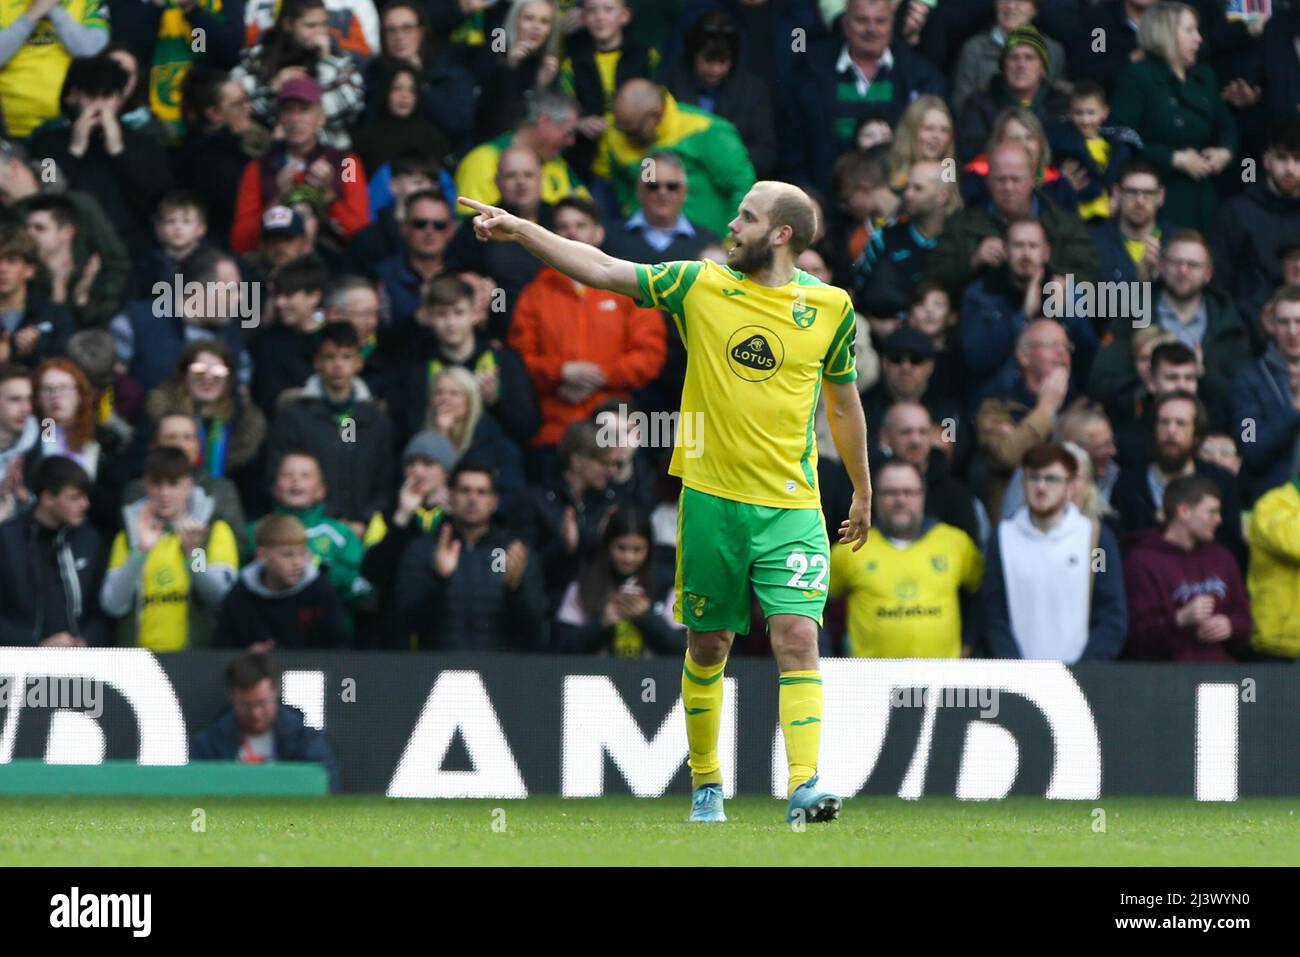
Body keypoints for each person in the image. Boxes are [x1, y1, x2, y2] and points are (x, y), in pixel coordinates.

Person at [460, 174, 871, 826]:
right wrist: (521, 229)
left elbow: (843, 401)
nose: (731, 225)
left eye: (746, 216)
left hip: (792, 506)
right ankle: (707, 783)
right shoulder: (698, 285)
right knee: (708, 646)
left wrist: (861, 490)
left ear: (781, 234)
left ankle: (804, 785)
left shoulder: (831, 308)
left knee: (797, 637)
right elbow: (600, 266)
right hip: (711, 500)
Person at [508, 196, 666, 451]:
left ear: (599, 233)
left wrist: (600, 376)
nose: (571, 232)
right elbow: (519, 360)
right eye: (562, 227)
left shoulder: (628, 288)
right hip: (554, 433)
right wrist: (561, 373)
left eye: (581, 225)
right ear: (551, 236)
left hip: (616, 432)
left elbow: (650, 354)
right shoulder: (535, 293)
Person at [983, 442, 1128, 661]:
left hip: (1081, 682)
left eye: (1051, 479)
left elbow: (1111, 614)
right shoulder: (1003, 538)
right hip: (1017, 681)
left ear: (1070, 487)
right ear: (1022, 485)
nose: (1041, 487)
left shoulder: (1096, 540)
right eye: (1033, 478)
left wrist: (1085, 672)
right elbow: (994, 615)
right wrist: (1014, 671)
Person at [829, 458, 982, 658]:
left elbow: (983, 597)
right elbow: (817, 604)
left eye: (909, 492)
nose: (900, 499)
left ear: (923, 496)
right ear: (875, 498)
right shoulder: (851, 547)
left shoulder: (956, 543)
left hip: (943, 679)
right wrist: (826, 657)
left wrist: (969, 644)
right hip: (869, 681)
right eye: (890, 492)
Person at [791, 0, 946, 193]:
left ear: (892, 23)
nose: (871, 29)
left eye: (880, 21)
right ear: (845, 22)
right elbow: (794, 148)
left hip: (900, 201)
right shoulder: (810, 74)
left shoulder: (921, 77)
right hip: (826, 201)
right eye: (861, 20)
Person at [1109, 1, 1236, 233]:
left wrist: (1224, 151)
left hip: (1203, 197)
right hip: (1156, 198)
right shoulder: (1137, 77)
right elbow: (1120, 137)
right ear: (1165, 33)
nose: (1198, 39)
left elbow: (1227, 125)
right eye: (1189, 31)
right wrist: (1174, 159)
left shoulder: (1204, 76)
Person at [28, 54, 175, 254]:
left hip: (132, 247)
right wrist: (74, 151)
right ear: (74, 96)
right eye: (91, 95)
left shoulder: (145, 144)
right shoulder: (46, 144)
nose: (98, 106)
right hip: (69, 247)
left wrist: (119, 152)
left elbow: (157, 200)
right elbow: (44, 194)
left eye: (107, 97)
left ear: (119, 99)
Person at [393, 461, 547, 651]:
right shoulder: (424, 548)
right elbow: (405, 621)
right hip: (436, 671)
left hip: (500, 673)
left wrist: (515, 589)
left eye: (481, 492)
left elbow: (535, 630)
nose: (472, 498)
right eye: (464, 490)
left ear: (494, 502)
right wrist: (438, 579)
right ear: (450, 498)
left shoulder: (514, 553)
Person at [99, 445, 239, 650]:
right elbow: (112, 604)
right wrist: (140, 552)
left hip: (196, 664)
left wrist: (193, 556)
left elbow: (221, 599)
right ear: (146, 485)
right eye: (157, 483)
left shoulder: (214, 531)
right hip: (138, 666)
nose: (164, 493)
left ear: (189, 486)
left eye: (173, 484)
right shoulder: (129, 537)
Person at [268, 321, 395, 529]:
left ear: (359, 362)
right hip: (308, 528)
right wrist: (332, 519)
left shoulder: (375, 419)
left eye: (346, 357)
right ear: (317, 362)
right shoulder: (293, 417)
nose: (338, 365)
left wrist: (365, 520)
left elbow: (386, 480)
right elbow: (277, 476)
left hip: (366, 531)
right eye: (330, 357)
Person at [927, 140, 1098, 295]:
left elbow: (1091, 278)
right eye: (1000, 179)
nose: (1008, 187)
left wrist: (1042, 267)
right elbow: (934, 278)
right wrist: (973, 261)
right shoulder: (961, 224)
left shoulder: (1065, 225)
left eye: (1016, 179)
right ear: (988, 180)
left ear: (1032, 178)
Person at [959, 217, 1098, 405]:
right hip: (998, 406)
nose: (1025, 254)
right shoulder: (979, 294)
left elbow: (1090, 358)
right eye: (1018, 246)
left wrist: (1068, 313)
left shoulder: (1068, 292)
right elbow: (978, 360)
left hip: (1061, 404)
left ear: (1046, 252)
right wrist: (1023, 316)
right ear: (1006, 251)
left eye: (1033, 246)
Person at [594, 78, 755, 237]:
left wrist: (730, 241)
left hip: (704, 252)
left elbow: (742, 185)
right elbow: (621, 184)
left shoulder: (706, 130)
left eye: (633, 132)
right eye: (622, 130)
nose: (627, 138)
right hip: (646, 249)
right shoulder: (618, 134)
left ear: (656, 115)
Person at [229, 76, 369, 254]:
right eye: (288, 111)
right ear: (280, 119)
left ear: (321, 118)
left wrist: (327, 196)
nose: (295, 119)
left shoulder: (348, 164)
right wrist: (277, 200)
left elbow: (362, 235)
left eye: (304, 110)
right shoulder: (257, 169)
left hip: (332, 265)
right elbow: (240, 242)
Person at [1123, 475, 1250, 662]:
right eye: (1212, 512)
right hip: (1166, 681)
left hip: (1221, 676)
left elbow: (1246, 622)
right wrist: (1179, 619)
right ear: (1184, 512)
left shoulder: (1223, 557)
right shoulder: (1141, 560)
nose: (1219, 520)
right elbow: (1136, 640)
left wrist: (1231, 626)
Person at [1110, 390, 1244, 564]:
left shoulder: (1221, 483)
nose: (1171, 431)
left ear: (1197, 435)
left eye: (1181, 424)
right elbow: (1118, 548)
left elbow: (1231, 548)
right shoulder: (1129, 483)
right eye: (1164, 422)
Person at [191, 652, 340, 792]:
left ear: (276, 691)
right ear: (232, 697)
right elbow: (194, 789)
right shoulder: (209, 744)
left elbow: (326, 786)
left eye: (262, 703)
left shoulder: (304, 739)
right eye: (246, 705)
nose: (256, 713)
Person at [0, 455, 106, 646]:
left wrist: (85, 641)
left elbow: (102, 609)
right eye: (74, 497)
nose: (85, 504)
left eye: (85, 496)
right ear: (48, 498)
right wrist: (37, 646)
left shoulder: (90, 539)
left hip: (81, 663)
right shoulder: (8, 540)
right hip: (18, 664)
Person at [145, 340, 267, 505]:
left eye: (218, 372)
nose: (208, 378)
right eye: (199, 371)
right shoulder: (160, 417)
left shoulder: (243, 423)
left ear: (229, 379)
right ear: (184, 373)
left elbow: (252, 489)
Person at [974, 318, 1074, 518]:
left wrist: (1021, 435)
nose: (1062, 352)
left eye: (1066, 346)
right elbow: (1008, 454)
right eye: (1051, 345)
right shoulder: (996, 406)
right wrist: (1046, 410)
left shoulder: (1081, 403)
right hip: (1015, 521)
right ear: (1023, 356)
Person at [553, 506, 686, 656]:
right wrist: (601, 624)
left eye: (637, 549)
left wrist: (647, 618)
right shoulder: (582, 587)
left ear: (649, 549)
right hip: (597, 677)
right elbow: (561, 653)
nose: (629, 558)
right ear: (608, 545)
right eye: (621, 548)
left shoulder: (668, 588)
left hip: (653, 678)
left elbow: (683, 651)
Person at [231, 0, 364, 150]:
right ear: (288, 25)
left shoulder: (341, 61)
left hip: (327, 153)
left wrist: (326, 65)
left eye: (324, 24)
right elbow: (239, 108)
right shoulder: (258, 58)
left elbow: (344, 113)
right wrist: (272, 89)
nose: (320, 33)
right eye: (311, 26)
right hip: (269, 152)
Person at [1211, 120, 1300, 337]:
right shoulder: (1235, 213)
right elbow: (1218, 289)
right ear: (1267, 160)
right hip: (1246, 337)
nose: (1290, 169)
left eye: (1298, 159)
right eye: (1282, 158)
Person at [662, 10, 775, 180]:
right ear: (693, 56)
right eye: (708, 60)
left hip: (733, 183)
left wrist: (724, 160)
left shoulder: (753, 92)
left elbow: (767, 154)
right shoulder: (668, 85)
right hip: (679, 182)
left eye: (722, 61)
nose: (715, 70)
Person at [255, 449, 370, 612]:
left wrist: (320, 568)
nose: (295, 480)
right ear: (275, 488)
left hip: (327, 627)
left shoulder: (341, 533)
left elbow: (362, 589)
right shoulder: (257, 531)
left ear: (320, 491)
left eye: (305, 475)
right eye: (287, 475)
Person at [216, 513, 350, 650]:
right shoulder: (239, 596)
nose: (297, 562)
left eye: (302, 553)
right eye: (288, 555)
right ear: (262, 556)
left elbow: (338, 647)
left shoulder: (320, 591)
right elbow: (222, 648)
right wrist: (247, 657)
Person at [852, 160, 957, 322]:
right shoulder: (883, 238)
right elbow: (857, 292)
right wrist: (876, 324)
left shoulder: (959, 243)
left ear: (943, 196)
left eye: (918, 188)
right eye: (908, 187)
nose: (908, 194)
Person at [453, 89, 588, 212]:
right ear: (545, 121)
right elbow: (473, 223)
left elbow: (588, 213)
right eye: (568, 133)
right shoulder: (482, 161)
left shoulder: (558, 164)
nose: (571, 141)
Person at [174, 67, 263, 247]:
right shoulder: (208, 163)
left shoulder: (247, 139)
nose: (249, 108)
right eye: (239, 104)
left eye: (247, 99)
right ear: (214, 114)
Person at [955, 25, 1070, 164]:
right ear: (1003, 67)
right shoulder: (978, 105)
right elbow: (972, 153)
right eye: (1014, 57)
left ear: (1043, 69)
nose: (1021, 65)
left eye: (1029, 58)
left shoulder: (1062, 105)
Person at [1230, 286, 1300, 505]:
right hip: (1271, 509)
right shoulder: (1248, 381)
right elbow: (1250, 447)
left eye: (1299, 321)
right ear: (1271, 325)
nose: (1292, 331)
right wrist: (1294, 409)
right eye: (1284, 322)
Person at [121, 412, 247, 533]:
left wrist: (195, 545)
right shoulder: (137, 489)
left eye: (187, 437)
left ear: (198, 446)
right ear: (154, 446)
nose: (180, 444)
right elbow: (131, 536)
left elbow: (237, 544)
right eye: (171, 437)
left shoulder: (221, 490)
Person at [0, 0, 109, 139]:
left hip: (66, 126)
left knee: (50, 160)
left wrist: (53, 9)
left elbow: (91, 51)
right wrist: (30, 17)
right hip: (7, 124)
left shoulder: (89, 2)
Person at [600, 151, 719, 263]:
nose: (662, 192)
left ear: (684, 192)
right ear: (639, 190)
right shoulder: (608, 239)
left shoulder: (708, 242)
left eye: (672, 186)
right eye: (653, 186)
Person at [950, 0, 1067, 110]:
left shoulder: (1053, 50)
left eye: (1020, 1)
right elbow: (962, 104)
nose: (1010, 6)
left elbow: (1057, 100)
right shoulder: (974, 49)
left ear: (1034, 9)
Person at [0, 222, 73, 367]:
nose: (2, 269)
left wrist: (32, 351)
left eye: (12, 261)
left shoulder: (53, 315)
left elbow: (66, 367)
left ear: (29, 270)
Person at [1088, 159, 1166, 286]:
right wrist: (1140, 279)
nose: (1140, 201)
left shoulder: (1175, 244)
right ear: (1117, 193)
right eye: (1132, 192)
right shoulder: (1092, 242)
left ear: (1161, 196)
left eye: (1148, 193)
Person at [0, 361, 37, 521]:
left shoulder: (39, 436)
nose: (25, 408)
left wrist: (24, 496)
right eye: (15, 399)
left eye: (28, 399)